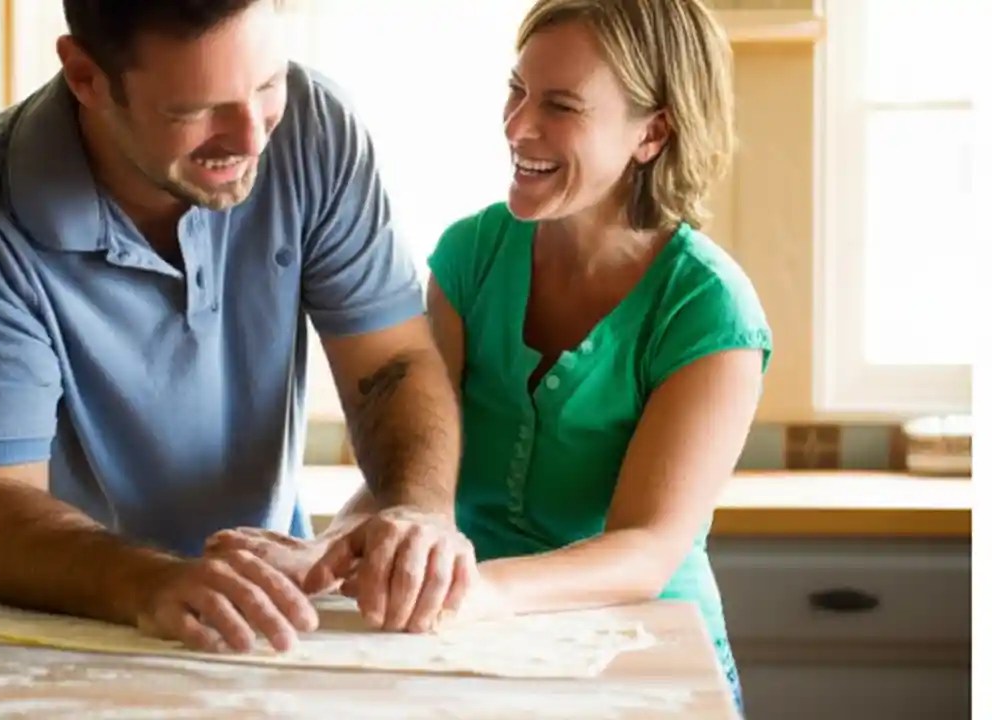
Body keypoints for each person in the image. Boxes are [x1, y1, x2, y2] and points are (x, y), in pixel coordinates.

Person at [213, 0, 769, 712]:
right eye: (518, 90)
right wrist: (328, 554)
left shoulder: (708, 308)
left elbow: (646, 550)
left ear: (652, 132)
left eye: (561, 105)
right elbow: (412, 469)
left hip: (642, 656)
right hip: (473, 644)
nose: (518, 126)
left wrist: (475, 589)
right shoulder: (473, 254)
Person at [0, 0, 476, 656]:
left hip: (273, 622)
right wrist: (150, 582)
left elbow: (393, 362)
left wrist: (418, 510)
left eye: (266, 85)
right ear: (86, 78)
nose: (254, 138)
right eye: (194, 111)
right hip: (69, 632)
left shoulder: (315, 129)